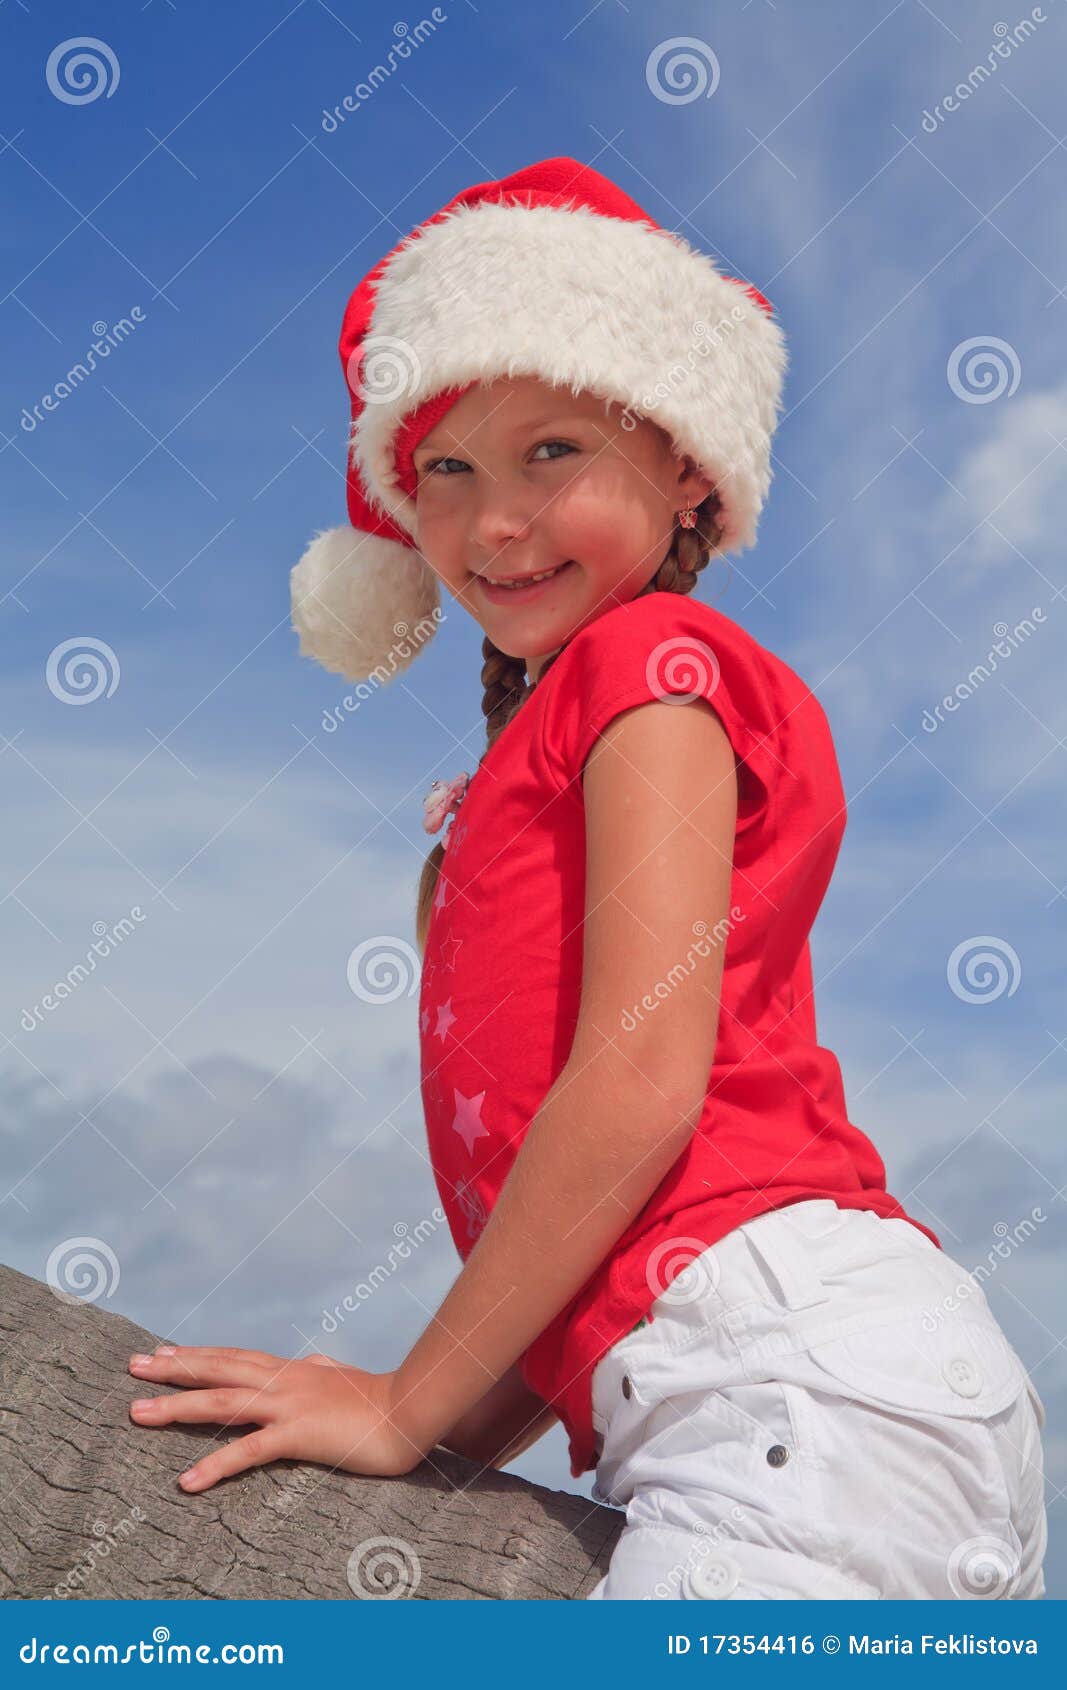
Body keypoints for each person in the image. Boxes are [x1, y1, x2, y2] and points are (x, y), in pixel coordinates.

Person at [126, 157, 1047, 1601]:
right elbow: (582, 1237)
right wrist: (443, 1417)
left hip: (794, 1384)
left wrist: (401, 1403)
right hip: (769, 1393)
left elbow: (638, 1084)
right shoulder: (533, 759)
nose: (495, 523)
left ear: (685, 462)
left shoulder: (642, 670)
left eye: (553, 451)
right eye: (448, 468)